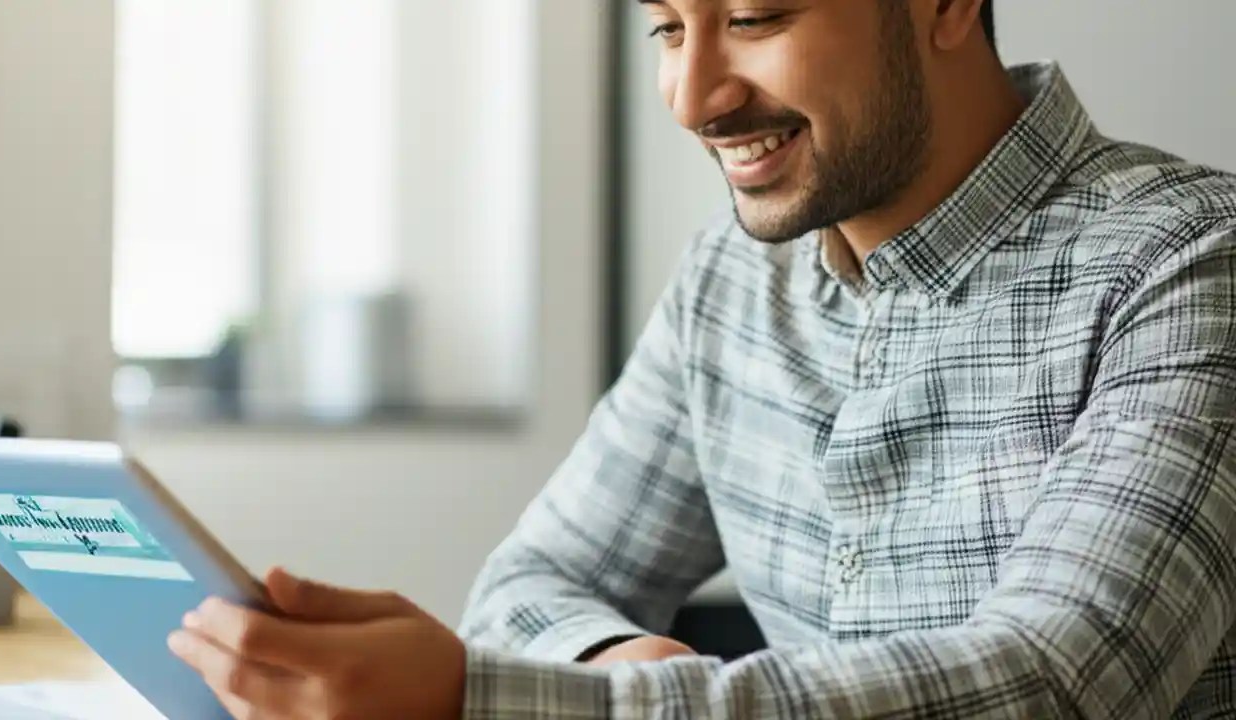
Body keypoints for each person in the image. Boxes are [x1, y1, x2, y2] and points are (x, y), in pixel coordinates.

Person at [169, 0, 1236, 717]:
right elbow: (537, 581)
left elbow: (1059, 681)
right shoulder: (731, 281)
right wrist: (607, 661)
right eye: (669, 29)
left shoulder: (1188, 261)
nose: (693, 98)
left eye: (753, 17)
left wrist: (479, 700)